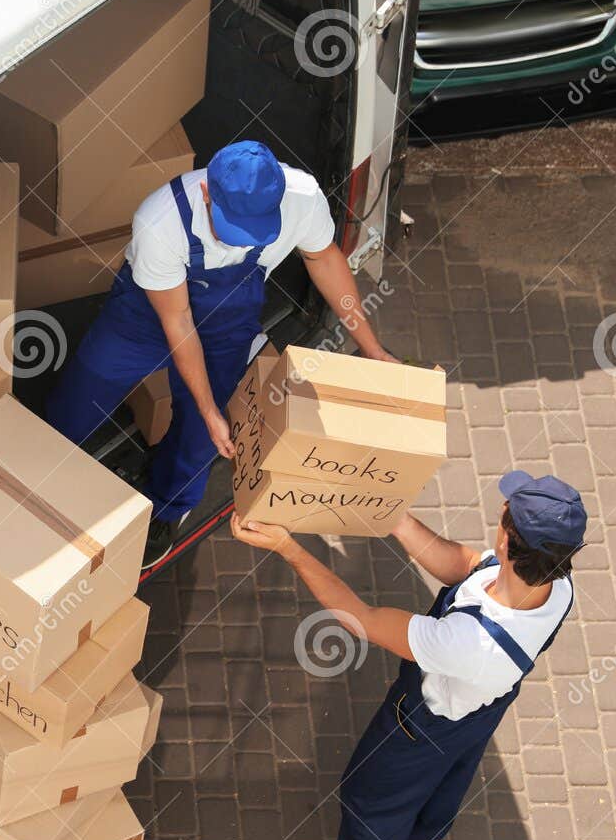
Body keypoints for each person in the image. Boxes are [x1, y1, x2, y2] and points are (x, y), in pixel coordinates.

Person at [231, 471, 586, 840]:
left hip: (420, 724)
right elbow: (461, 563)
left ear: (508, 536)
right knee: (451, 773)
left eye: (507, 512)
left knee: (368, 805)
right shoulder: (554, 586)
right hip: (480, 708)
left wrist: (289, 549)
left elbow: (363, 620)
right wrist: (393, 519)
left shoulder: (466, 643)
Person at [46, 140, 397, 567]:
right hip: (147, 315)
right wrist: (210, 405)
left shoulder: (302, 198)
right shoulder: (161, 221)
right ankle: (41, 473)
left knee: (202, 439)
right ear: (208, 192)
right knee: (84, 391)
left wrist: (372, 348)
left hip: (225, 328)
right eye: (229, 226)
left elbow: (324, 259)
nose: (237, 241)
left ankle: (165, 509)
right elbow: (178, 324)